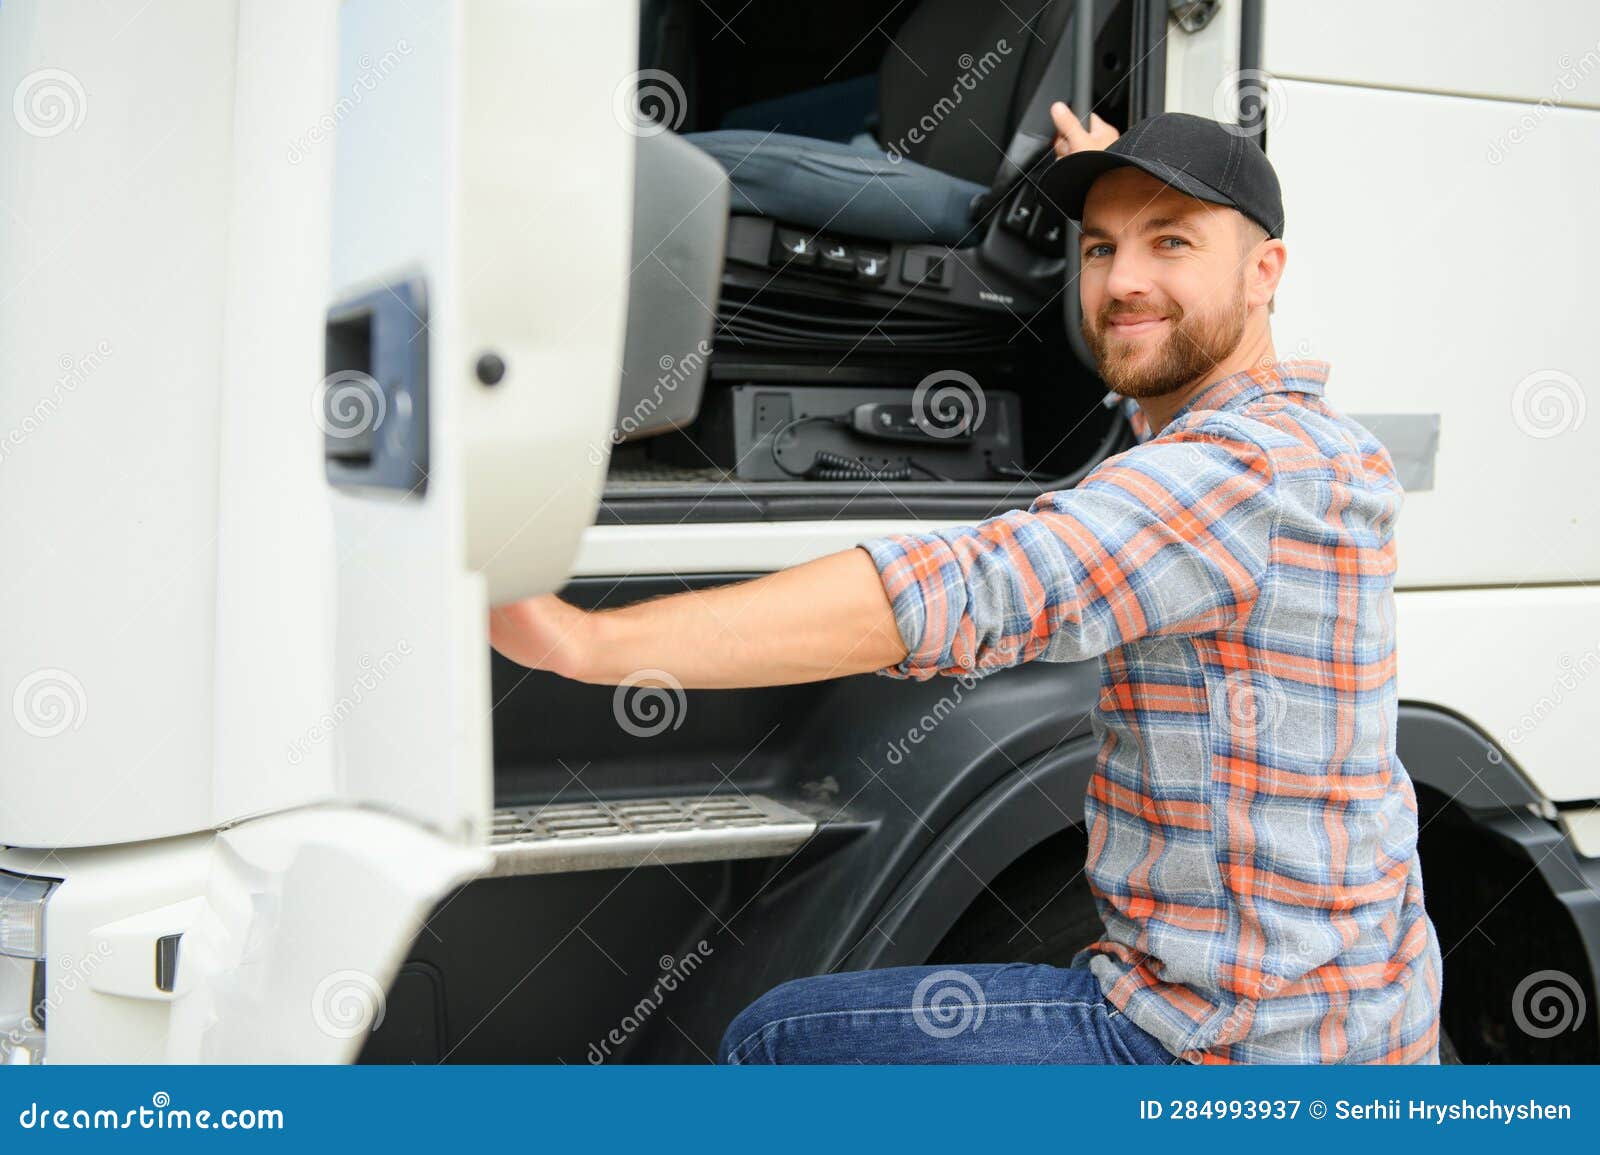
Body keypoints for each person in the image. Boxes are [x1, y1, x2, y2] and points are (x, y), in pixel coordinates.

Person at [489, 105, 1444, 1065]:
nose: (1124, 280)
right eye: (1102, 247)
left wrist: (590, 643)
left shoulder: (1235, 478)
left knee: (777, 1041)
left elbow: (972, 584)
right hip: (1369, 1018)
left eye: (1173, 243)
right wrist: (1135, 183)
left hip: (1223, 1052)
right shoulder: (1320, 447)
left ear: (1265, 272)